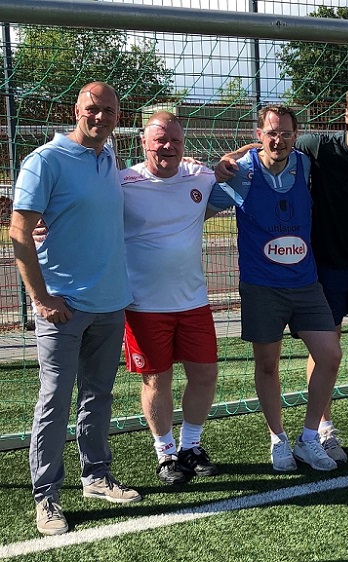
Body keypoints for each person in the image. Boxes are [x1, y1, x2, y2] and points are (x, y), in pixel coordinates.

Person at [216, 83, 348, 461]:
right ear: (346, 115)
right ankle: (323, 428)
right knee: (324, 348)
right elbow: (267, 148)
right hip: (321, 266)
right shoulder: (317, 146)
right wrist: (230, 157)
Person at [10, 82, 140, 536]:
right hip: (63, 309)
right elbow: (20, 233)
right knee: (54, 402)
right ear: (76, 109)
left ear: (117, 116)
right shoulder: (45, 160)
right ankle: (46, 498)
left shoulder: (109, 158)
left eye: (108, 110)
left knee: (97, 397)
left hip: (110, 304)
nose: (100, 117)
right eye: (92, 109)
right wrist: (42, 299)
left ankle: (97, 476)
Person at [208, 104, 341, 472]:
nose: (278, 139)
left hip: (305, 282)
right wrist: (222, 164)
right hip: (262, 285)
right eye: (271, 133)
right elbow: (201, 206)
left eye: (285, 133)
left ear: (295, 135)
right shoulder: (243, 172)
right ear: (258, 135)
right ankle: (278, 439)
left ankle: (309, 438)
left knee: (329, 355)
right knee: (267, 365)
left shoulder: (306, 165)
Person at [120, 111, 220, 485]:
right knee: (155, 381)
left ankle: (191, 446)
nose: (167, 147)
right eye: (160, 140)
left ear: (184, 145)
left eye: (175, 141)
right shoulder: (123, 182)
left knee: (205, 375)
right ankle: (165, 453)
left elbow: (234, 164)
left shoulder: (200, 177)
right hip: (144, 306)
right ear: (144, 142)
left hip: (193, 302)